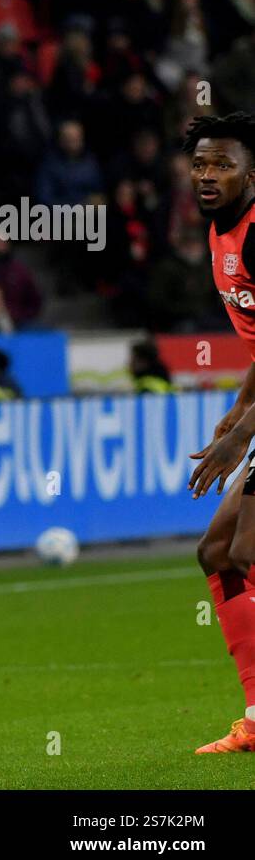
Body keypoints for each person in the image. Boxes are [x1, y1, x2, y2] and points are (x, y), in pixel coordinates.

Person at [182, 111, 255, 753]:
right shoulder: (220, 234)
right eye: (201, 164)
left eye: (223, 164)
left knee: (247, 547)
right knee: (221, 553)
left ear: (250, 173)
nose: (209, 175)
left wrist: (236, 441)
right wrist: (238, 409)